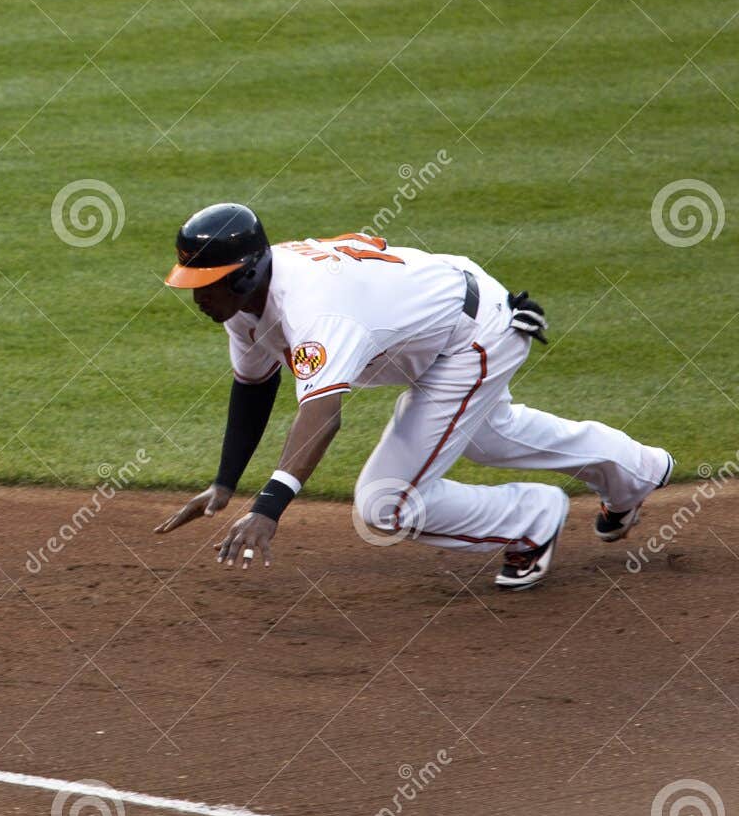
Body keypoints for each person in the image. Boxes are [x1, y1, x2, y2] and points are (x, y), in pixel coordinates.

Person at [152, 203, 672, 589]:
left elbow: (323, 416)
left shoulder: (314, 309)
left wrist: (270, 505)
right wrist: (224, 483)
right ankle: (637, 469)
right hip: (442, 324)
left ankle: (532, 519)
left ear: (245, 274)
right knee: (491, 437)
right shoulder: (243, 305)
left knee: (383, 504)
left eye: (208, 283)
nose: (198, 296)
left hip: (473, 336)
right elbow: (254, 384)